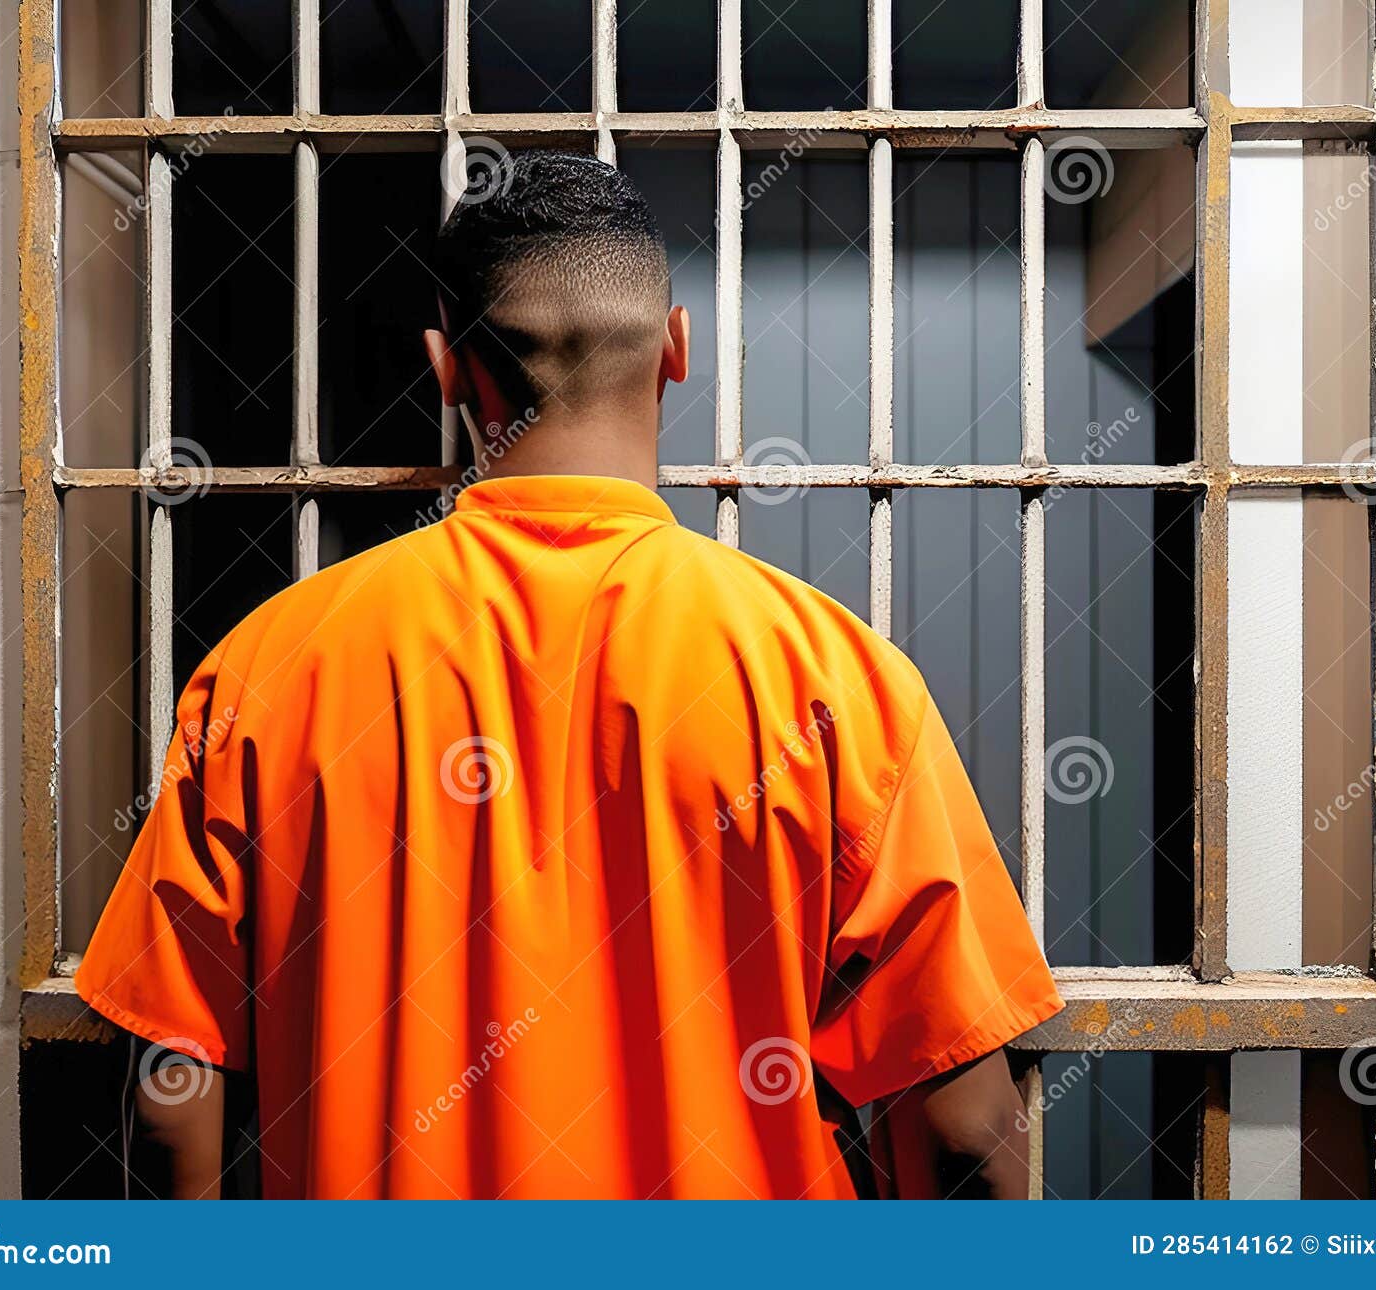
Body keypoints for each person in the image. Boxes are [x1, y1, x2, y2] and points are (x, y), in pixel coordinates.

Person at [76, 149, 1062, 1200]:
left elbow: (168, 1089)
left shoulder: (270, 664)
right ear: (676, 351)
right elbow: (963, 1127)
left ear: (446, 367)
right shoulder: (833, 678)